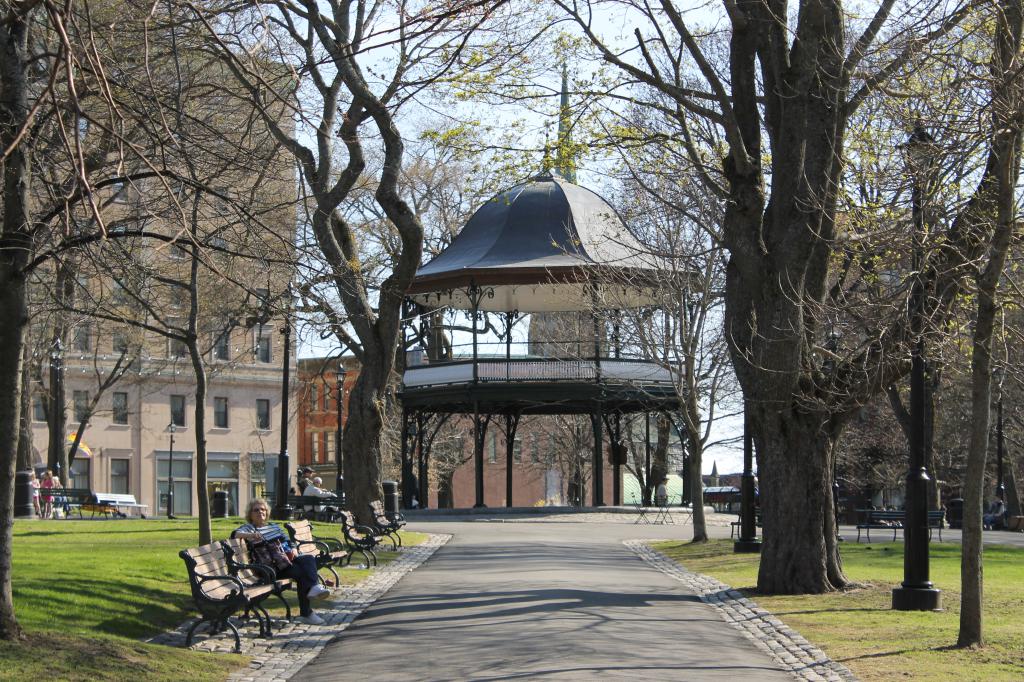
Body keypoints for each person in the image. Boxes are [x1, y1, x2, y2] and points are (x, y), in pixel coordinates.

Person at [235, 497, 331, 625]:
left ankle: (313, 590)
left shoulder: (274, 527)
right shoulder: (249, 528)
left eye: (263, 509)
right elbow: (235, 534)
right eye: (256, 510)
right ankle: (307, 610)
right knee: (301, 573)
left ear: (267, 512)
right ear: (250, 514)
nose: (260, 512)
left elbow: (288, 541)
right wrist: (251, 535)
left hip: (284, 562)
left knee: (308, 558)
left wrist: (293, 550)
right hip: (269, 569)